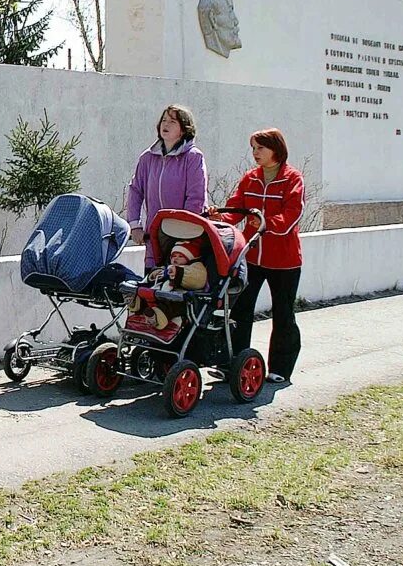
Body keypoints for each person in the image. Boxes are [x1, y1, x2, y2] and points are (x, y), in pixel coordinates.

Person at [210, 128, 305, 385]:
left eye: (260, 148)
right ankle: (231, 364)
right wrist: (220, 216)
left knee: (283, 314)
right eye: (253, 148)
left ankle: (280, 368)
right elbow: (235, 208)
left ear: (276, 149)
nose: (255, 153)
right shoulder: (250, 178)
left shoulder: (292, 178)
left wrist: (265, 223)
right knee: (239, 309)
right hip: (250, 256)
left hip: (284, 261)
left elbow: (292, 215)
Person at [125, 105, 208, 266]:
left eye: (172, 121)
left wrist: (183, 229)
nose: (166, 124)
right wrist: (135, 226)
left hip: (183, 239)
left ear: (183, 130)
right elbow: (135, 190)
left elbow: (196, 197)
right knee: (153, 277)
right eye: (164, 120)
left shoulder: (193, 157)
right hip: (154, 236)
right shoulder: (147, 158)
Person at [130, 239, 208, 330]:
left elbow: (198, 279)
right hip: (160, 293)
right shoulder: (168, 267)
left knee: (172, 305)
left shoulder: (194, 267)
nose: (176, 258)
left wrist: (179, 273)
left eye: (180, 256)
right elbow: (158, 272)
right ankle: (137, 304)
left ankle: (157, 317)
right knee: (144, 290)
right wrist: (154, 274)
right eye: (173, 256)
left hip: (179, 296)